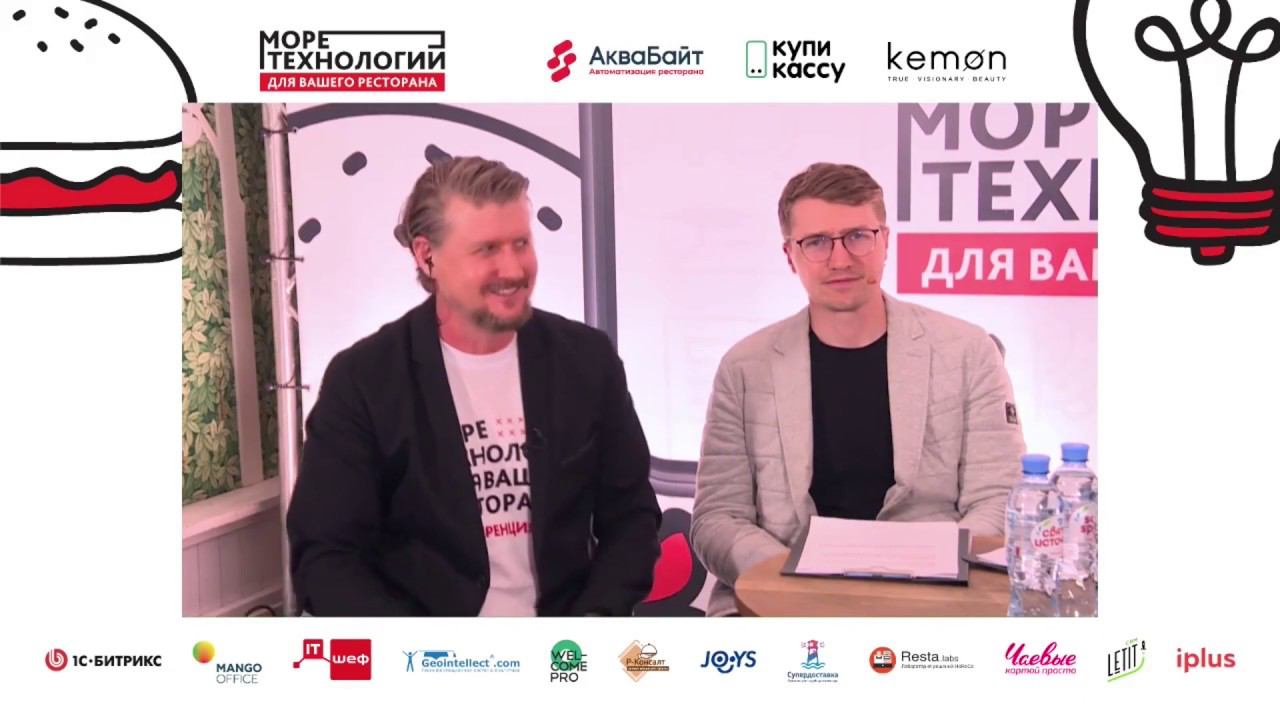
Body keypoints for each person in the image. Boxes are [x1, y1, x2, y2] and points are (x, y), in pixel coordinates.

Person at [287, 156, 660, 616]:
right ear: (426, 256)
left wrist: (589, 626)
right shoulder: (364, 379)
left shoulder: (586, 360)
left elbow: (632, 519)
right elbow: (326, 556)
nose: (513, 269)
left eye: (521, 243)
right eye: (487, 250)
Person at [690, 162, 1025, 617]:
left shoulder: (968, 351)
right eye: (816, 242)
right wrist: (790, 579)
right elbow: (718, 518)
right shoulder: (745, 367)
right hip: (780, 600)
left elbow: (998, 499)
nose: (841, 259)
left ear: (885, 241)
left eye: (858, 236)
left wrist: (937, 580)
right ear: (789, 255)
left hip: (936, 599)